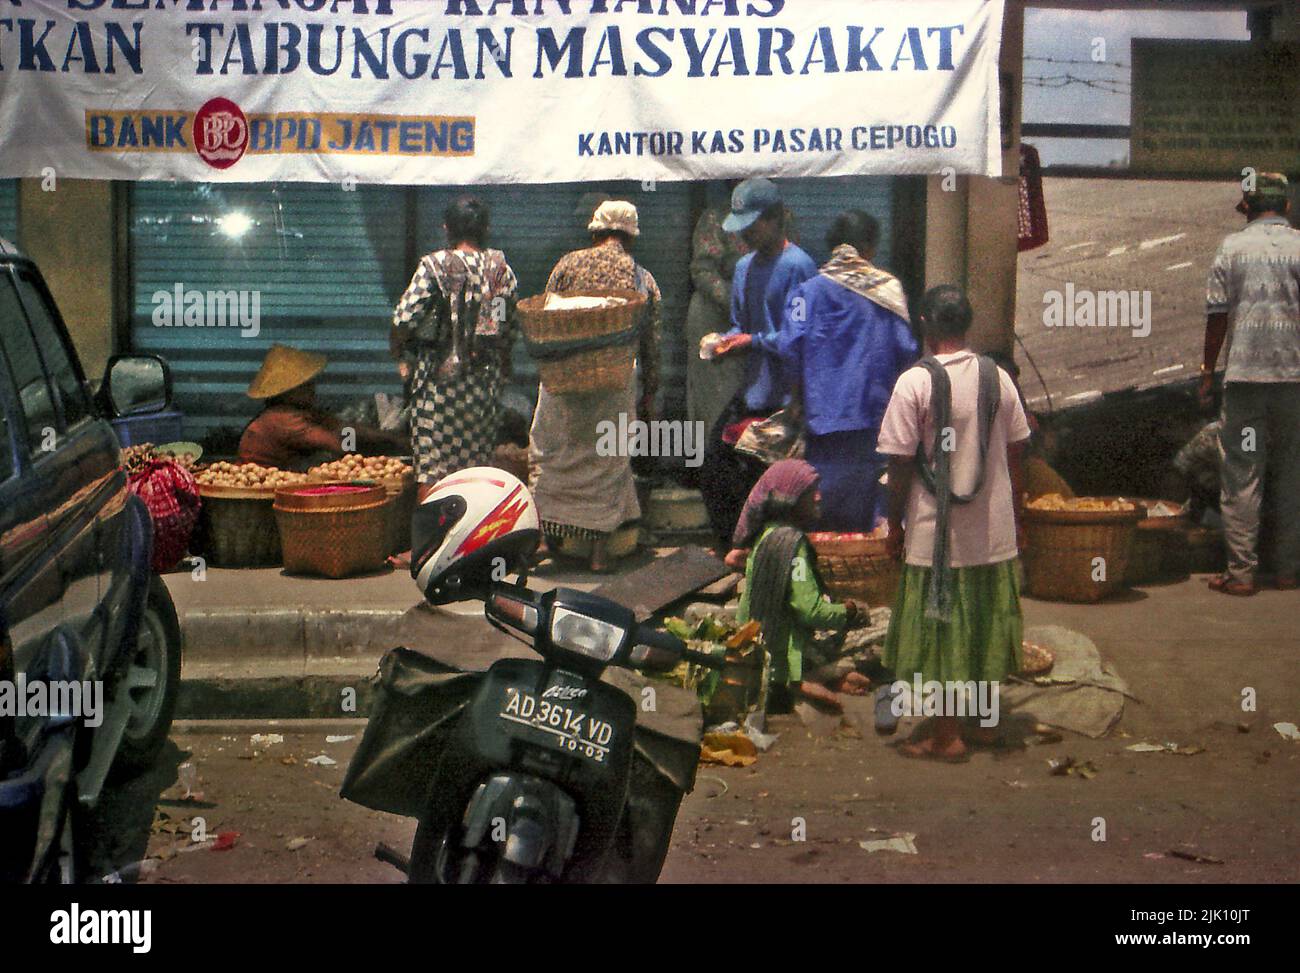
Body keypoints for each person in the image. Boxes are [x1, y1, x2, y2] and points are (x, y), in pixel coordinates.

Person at [877, 285, 1031, 762]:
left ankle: (946, 737)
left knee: (943, 630)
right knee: (984, 623)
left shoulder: (914, 384)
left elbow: (900, 462)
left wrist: (895, 524)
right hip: (992, 529)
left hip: (934, 533)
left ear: (925, 323)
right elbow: (1018, 449)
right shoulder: (998, 379)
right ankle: (981, 723)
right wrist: (1017, 514)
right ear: (967, 325)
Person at [529, 200, 661, 573]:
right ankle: (599, 554)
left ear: (595, 231)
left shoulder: (567, 265)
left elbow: (543, 316)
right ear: (630, 237)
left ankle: (541, 538)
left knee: (554, 454)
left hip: (564, 378)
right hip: (614, 382)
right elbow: (652, 342)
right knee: (608, 462)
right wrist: (650, 391)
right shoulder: (642, 278)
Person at [777, 210, 918, 531]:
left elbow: (789, 347)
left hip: (822, 424)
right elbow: (906, 351)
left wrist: (796, 401)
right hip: (875, 421)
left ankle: (824, 573)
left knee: (822, 510)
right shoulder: (887, 292)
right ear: (869, 248)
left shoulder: (807, 292)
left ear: (833, 246)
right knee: (871, 515)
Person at [1199, 171, 1300, 595]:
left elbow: (1218, 315)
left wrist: (1207, 371)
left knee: (1243, 472)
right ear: (1287, 207)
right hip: (1294, 381)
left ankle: (1240, 574)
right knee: (1292, 474)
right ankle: (1288, 571)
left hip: (1244, 382)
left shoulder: (1232, 247)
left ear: (1248, 208)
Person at [701, 178, 816, 546]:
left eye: (752, 226)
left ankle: (767, 556)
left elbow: (800, 337)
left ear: (775, 219)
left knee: (776, 488)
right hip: (751, 391)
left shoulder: (798, 266)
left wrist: (752, 340)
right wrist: (726, 344)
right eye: (741, 228)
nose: (745, 235)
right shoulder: (744, 268)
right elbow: (742, 326)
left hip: (787, 397)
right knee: (715, 468)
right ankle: (735, 551)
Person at [392, 195, 521, 502]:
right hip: (483, 389)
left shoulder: (433, 266)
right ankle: (473, 544)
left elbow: (404, 319)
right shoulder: (502, 271)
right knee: (476, 471)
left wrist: (399, 355)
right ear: (486, 229)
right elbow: (507, 329)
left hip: (437, 388)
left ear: (447, 228)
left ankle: (434, 546)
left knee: (433, 471)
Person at [733, 459, 868, 713]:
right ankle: (810, 679)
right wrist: (849, 611)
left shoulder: (767, 535)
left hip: (757, 651)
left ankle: (827, 676)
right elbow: (811, 611)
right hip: (783, 657)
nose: (818, 497)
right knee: (881, 624)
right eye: (810, 492)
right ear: (791, 498)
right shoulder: (793, 544)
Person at [239, 343, 402, 470]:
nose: (312, 390)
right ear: (288, 392)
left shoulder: (299, 412)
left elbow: (344, 428)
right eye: (305, 386)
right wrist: (363, 453)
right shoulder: (283, 419)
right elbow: (336, 444)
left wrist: (392, 439)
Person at [685, 190, 748, 435]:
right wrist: (738, 303)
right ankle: (710, 464)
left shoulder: (779, 215)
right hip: (714, 317)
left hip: (758, 320)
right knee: (713, 400)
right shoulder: (715, 217)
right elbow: (702, 269)